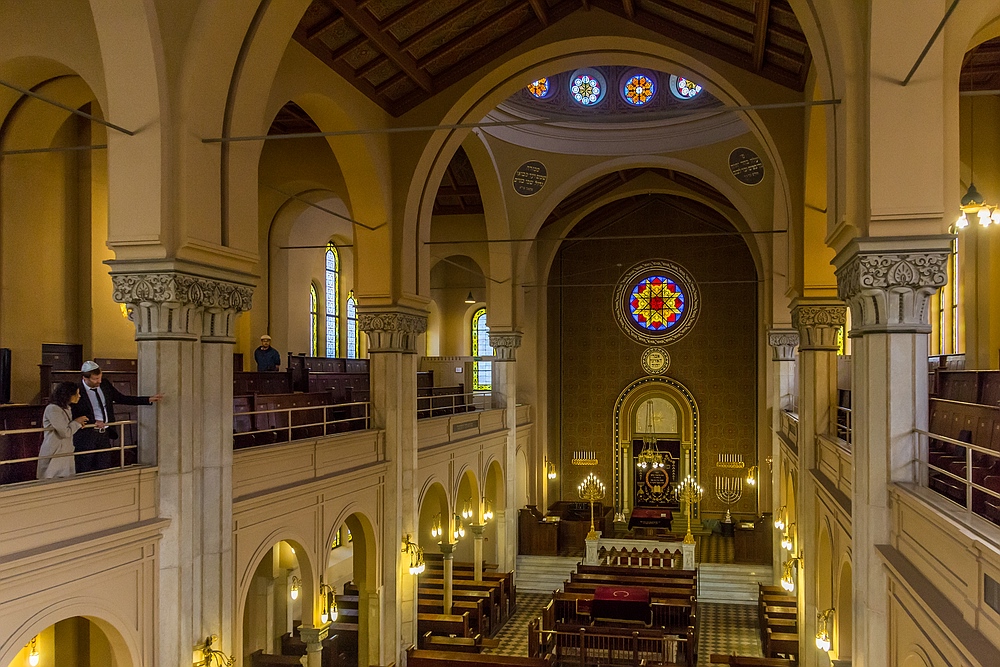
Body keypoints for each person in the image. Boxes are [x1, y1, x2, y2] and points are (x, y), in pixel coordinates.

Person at [72, 361, 164, 473]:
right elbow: (75, 413)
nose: (99, 381)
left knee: (104, 467)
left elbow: (121, 398)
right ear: (84, 378)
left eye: (100, 378)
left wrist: (147, 399)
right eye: (95, 379)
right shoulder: (77, 390)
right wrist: (93, 422)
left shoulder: (104, 384)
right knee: (84, 468)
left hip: (104, 433)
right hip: (86, 435)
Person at [37, 381, 89, 479]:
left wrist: (76, 424)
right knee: (52, 480)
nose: (79, 396)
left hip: (65, 451)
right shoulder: (53, 409)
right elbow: (64, 432)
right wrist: (77, 423)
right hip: (55, 451)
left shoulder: (66, 408)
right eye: (76, 394)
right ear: (68, 394)